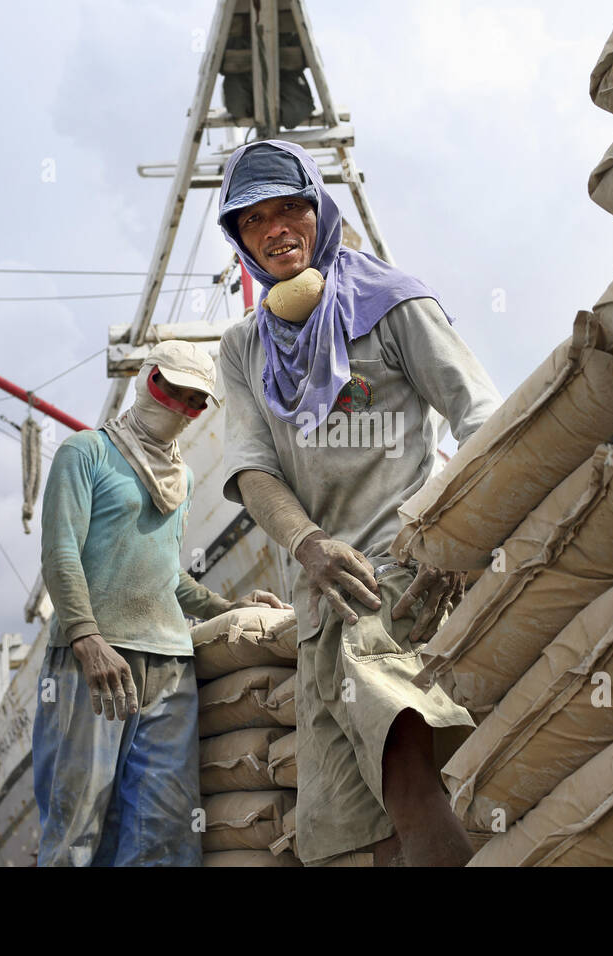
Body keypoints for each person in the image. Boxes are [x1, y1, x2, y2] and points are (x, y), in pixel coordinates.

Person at [215, 140, 502, 866]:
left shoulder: (394, 303)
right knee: (353, 831)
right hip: (317, 605)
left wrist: (473, 536)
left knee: (405, 769)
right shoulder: (246, 346)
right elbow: (252, 470)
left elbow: (480, 417)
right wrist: (308, 545)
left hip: (396, 579)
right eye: (254, 221)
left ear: (321, 208)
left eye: (290, 210)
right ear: (239, 239)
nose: (276, 230)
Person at [33, 339, 287, 866]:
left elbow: (167, 577)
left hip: (170, 667)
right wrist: (87, 639)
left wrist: (228, 611)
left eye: (195, 401)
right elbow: (60, 552)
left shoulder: (185, 478)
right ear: (146, 378)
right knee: (78, 828)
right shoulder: (86, 453)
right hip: (94, 664)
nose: (180, 407)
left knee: (165, 831)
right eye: (168, 389)